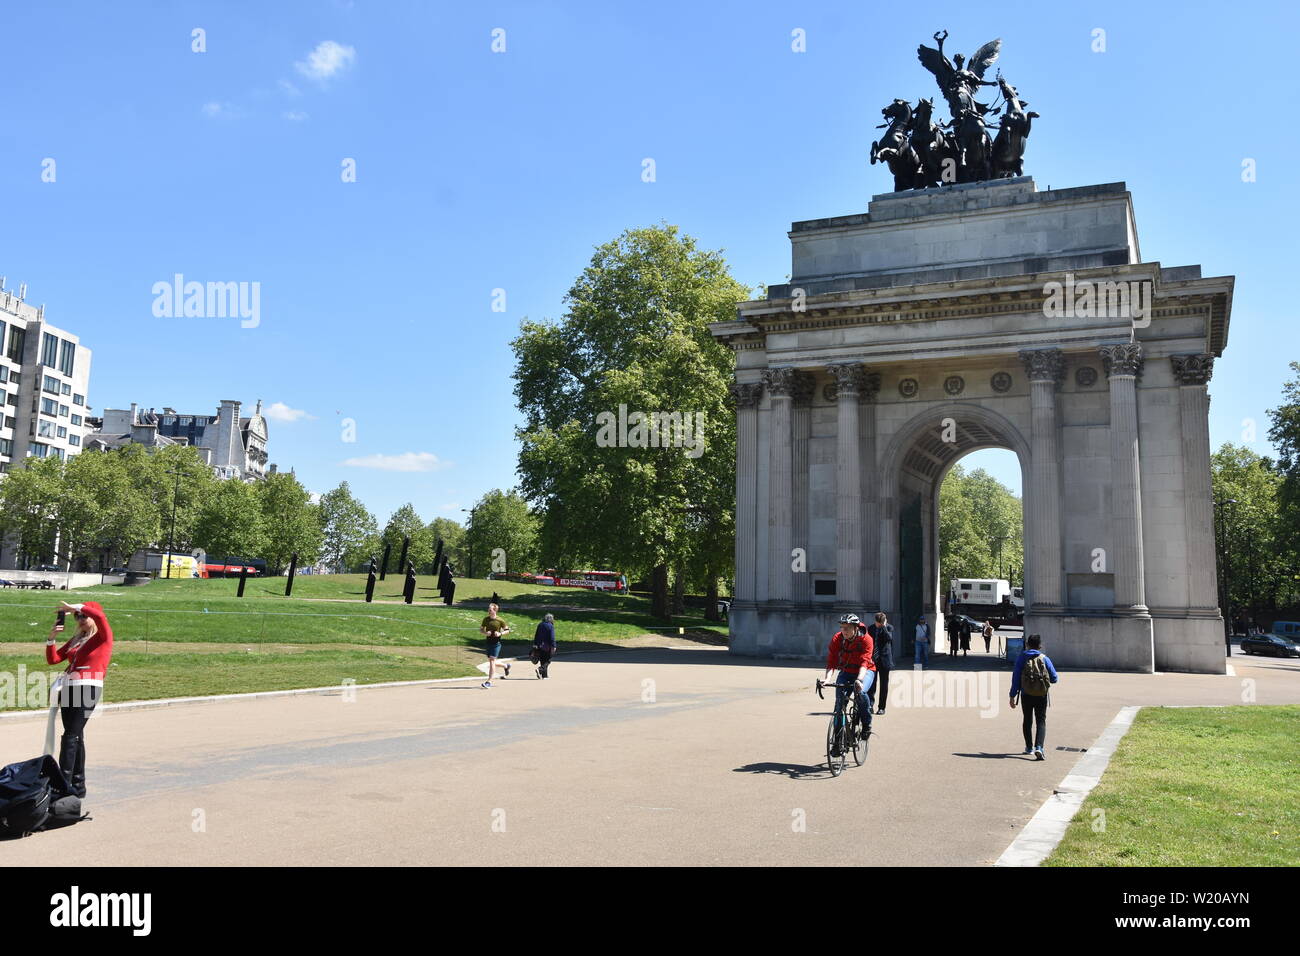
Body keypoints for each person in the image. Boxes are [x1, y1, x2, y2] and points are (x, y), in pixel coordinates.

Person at [45, 601, 113, 799]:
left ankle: (63, 786)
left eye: (84, 616)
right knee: (76, 736)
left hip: (89, 687)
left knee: (70, 736)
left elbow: (100, 617)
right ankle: (78, 785)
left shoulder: (103, 636)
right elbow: (54, 659)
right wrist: (52, 638)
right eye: (77, 617)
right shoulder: (77, 638)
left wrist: (76, 606)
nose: (81, 619)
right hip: (69, 687)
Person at [823, 614, 876, 752]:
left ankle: (866, 724)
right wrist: (827, 679)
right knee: (839, 707)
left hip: (866, 671)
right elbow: (832, 661)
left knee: (861, 692)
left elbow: (865, 661)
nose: (844, 631)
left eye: (847, 628)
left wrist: (859, 680)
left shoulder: (866, 639)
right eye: (842, 627)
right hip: (846, 671)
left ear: (855, 628)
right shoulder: (838, 638)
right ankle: (837, 741)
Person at [1010, 633, 1059, 760]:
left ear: (1027, 644)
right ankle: (1039, 747)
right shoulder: (1044, 658)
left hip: (1026, 694)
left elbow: (1015, 678)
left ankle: (1028, 747)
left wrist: (1012, 695)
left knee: (1027, 720)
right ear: (1040, 645)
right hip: (1041, 694)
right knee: (1041, 721)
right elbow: (1054, 678)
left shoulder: (1022, 658)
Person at [479, 602, 512, 688]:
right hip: (488, 642)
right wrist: (486, 633)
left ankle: (489, 681)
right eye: (488, 610)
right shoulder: (485, 619)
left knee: (492, 661)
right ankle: (506, 666)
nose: (489, 611)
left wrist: (500, 634)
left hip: (496, 644)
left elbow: (508, 630)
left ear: (495, 610)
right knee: (491, 661)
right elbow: (481, 630)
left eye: (490, 610)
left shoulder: (500, 620)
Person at [867, 612, 894, 715]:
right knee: (871, 684)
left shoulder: (889, 628)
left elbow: (889, 639)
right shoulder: (871, 628)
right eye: (877, 623)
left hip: (884, 660)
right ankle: (870, 705)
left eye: (880, 623)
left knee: (883, 685)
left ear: (884, 621)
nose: (878, 625)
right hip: (873, 660)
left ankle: (882, 707)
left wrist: (883, 627)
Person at [532, 613, 557, 679]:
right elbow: (552, 637)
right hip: (547, 646)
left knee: (542, 660)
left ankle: (544, 675)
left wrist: (535, 644)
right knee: (548, 660)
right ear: (551, 619)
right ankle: (540, 669)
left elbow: (536, 635)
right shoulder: (550, 626)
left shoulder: (540, 624)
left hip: (539, 645)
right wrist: (553, 646)